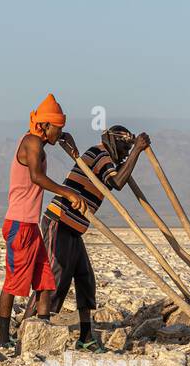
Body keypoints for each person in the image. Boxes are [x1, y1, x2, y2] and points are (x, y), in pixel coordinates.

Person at [40, 125, 151, 351]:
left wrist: (131, 155)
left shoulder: (109, 160)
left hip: (75, 227)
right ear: (112, 141)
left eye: (128, 147)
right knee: (55, 276)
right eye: (124, 146)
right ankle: (36, 326)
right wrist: (138, 150)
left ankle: (86, 336)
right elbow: (117, 183)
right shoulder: (100, 154)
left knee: (85, 278)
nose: (126, 151)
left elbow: (118, 176)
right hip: (60, 221)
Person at [0, 95, 85, 346]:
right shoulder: (32, 142)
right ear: (45, 125)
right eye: (59, 128)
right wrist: (67, 192)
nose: (61, 133)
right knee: (14, 283)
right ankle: (3, 339)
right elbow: (36, 177)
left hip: (30, 225)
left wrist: (72, 150)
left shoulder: (40, 143)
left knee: (46, 282)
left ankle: (41, 334)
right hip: (19, 224)